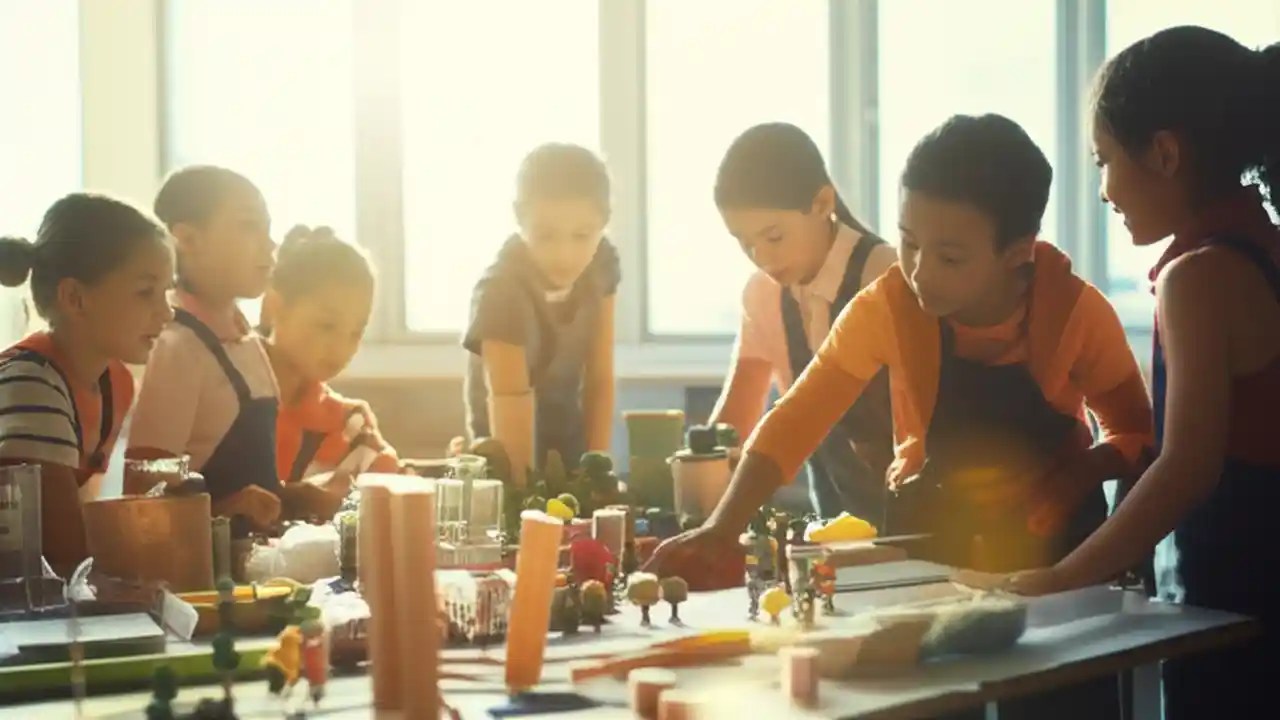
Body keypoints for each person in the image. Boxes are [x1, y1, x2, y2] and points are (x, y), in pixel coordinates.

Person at [1009, 27, 1280, 720]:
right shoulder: (1263, 245)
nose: (1101, 189)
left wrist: (1066, 576)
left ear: (1164, 154)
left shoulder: (1199, 275)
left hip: (1237, 600)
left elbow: (1189, 466)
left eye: (1103, 160)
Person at [708, 123, 897, 520]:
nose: (760, 256)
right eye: (744, 242)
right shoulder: (763, 295)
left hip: (913, 527)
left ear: (823, 202)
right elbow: (736, 421)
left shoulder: (884, 276)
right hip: (831, 534)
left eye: (773, 236)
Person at [0, 194, 173, 573]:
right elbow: (63, 553)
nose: (167, 312)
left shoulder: (116, 383)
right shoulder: (32, 384)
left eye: (166, 292)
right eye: (146, 292)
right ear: (75, 298)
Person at [129, 166, 282, 529]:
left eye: (268, 228)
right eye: (249, 226)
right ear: (187, 238)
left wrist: (300, 495)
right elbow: (143, 496)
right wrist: (222, 510)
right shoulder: (174, 345)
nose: (270, 244)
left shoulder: (244, 338)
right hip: (197, 571)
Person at [463, 143, 619, 486]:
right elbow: (510, 404)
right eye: (546, 235)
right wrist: (522, 498)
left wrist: (594, 474)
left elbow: (599, 377)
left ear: (604, 221)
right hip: (506, 461)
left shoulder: (602, 262)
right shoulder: (501, 292)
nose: (565, 255)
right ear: (520, 218)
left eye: (582, 235)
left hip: (571, 449)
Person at [260, 225, 398, 519]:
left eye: (355, 332)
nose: (341, 347)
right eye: (327, 326)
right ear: (276, 306)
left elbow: (388, 498)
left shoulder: (351, 426)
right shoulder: (223, 401)